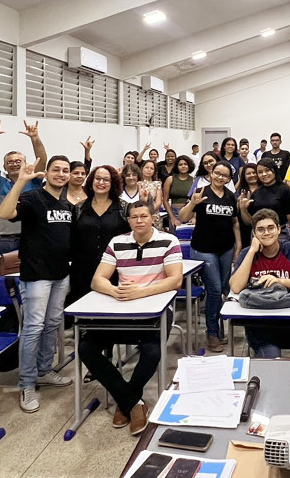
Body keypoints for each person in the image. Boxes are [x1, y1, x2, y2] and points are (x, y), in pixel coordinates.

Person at [85, 200, 183, 434]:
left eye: (143, 216)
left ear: (153, 218)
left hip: (156, 310)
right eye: (134, 217)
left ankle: (126, 400)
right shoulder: (117, 242)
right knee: (86, 346)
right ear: (128, 221)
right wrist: (114, 290)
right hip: (121, 309)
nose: (139, 221)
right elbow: (97, 280)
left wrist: (141, 291)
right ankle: (131, 401)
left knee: (152, 350)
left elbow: (175, 280)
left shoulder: (169, 241)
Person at [0, 155, 74, 413]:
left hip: (61, 274)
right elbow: (5, 212)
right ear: (47, 173)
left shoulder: (65, 204)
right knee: (33, 327)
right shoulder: (33, 199)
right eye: (56, 170)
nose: (61, 174)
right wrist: (20, 182)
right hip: (36, 275)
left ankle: (44, 370)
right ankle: (27, 383)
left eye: (65, 170)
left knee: (52, 324)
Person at [229, 209, 290, 357]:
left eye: (271, 228)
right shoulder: (247, 253)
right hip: (260, 324)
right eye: (260, 230)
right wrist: (252, 251)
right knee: (270, 357)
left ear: (279, 230)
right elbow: (236, 287)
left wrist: (280, 281)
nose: (266, 233)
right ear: (254, 234)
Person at [179, 161, 242, 352]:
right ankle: (212, 332)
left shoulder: (231, 196)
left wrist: (238, 244)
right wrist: (193, 203)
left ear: (229, 179)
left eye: (225, 175)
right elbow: (182, 217)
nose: (220, 177)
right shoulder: (201, 192)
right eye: (217, 173)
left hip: (225, 249)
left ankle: (218, 328)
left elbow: (235, 222)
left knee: (223, 288)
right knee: (214, 290)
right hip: (204, 249)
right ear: (211, 173)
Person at [0, 119, 47, 265]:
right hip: (3, 240)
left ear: (26, 164)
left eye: (18, 161)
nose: (14, 164)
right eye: (10, 162)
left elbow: (42, 160)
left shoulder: (34, 180)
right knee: (0, 281)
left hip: (32, 237)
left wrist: (35, 138)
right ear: (4, 165)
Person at [68, 166, 130, 306]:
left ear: (113, 183)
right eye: (98, 178)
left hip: (115, 269)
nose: (101, 182)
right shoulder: (79, 208)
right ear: (91, 181)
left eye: (106, 179)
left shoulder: (124, 208)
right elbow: (72, 238)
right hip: (82, 269)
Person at [240, 159, 290, 243]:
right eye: (260, 172)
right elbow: (250, 222)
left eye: (267, 170)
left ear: (274, 170)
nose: (264, 174)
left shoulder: (285, 190)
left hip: (280, 235)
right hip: (259, 236)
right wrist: (243, 209)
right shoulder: (256, 193)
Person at [162, 155, 194, 231]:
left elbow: (196, 201)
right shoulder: (170, 179)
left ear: (189, 166)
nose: (183, 166)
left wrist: (194, 217)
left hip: (189, 211)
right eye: (180, 164)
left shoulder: (194, 180)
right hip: (173, 212)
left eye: (185, 164)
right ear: (177, 166)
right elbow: (165, 200)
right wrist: (172, 218)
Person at [236, 163, 260, 242]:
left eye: (254, 172)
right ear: (244, 176)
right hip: (243, 231)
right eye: (248, 173)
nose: (252, 175)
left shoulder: (265, 190)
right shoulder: (240, 192)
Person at [139, 160, 164, 229]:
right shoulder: (137, 183)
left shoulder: (157, 184)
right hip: (139, 214)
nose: (149, 170)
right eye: (147, 167)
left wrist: (148, 213)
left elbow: (158, 202)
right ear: (142, 169)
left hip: (154, 214)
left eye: (151, 168)